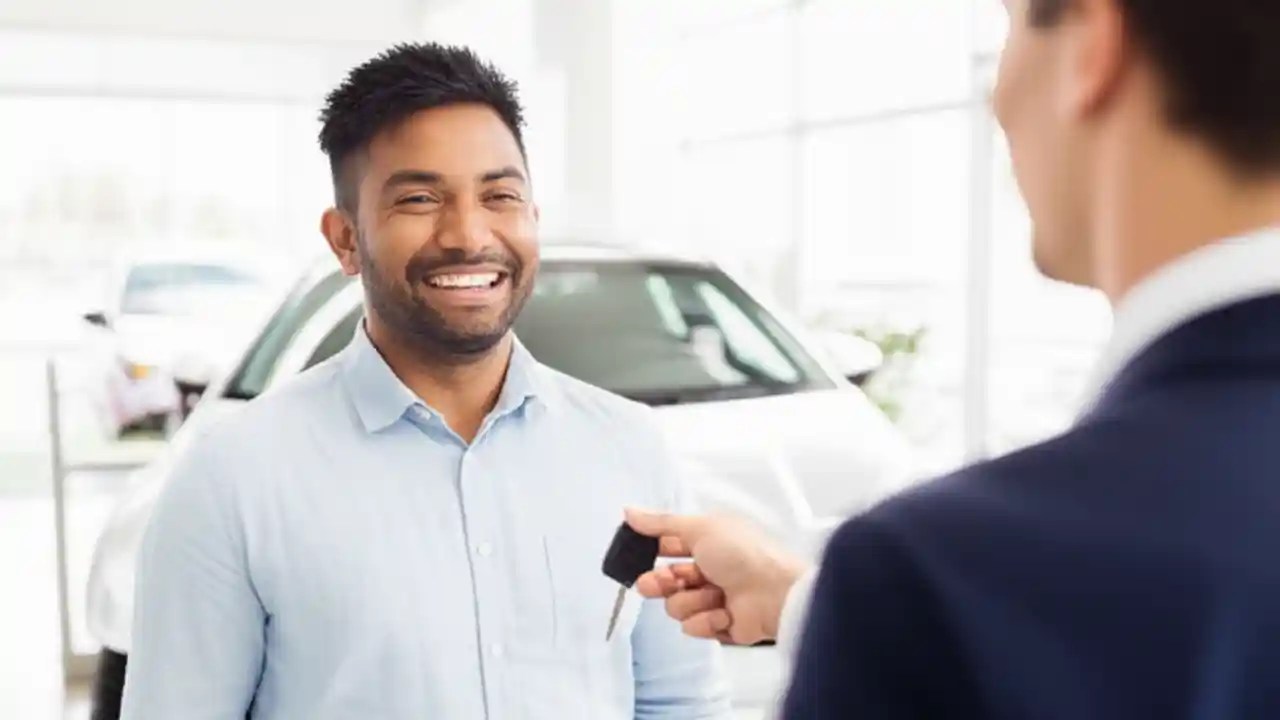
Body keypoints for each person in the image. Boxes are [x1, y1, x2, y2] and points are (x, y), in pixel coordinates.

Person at [630, 0, 1280, 717]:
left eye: (1010, 26)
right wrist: (818, 604)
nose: (997, 99)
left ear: (1094, 43)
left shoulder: (934, 571)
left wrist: (889, 614)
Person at [118, 42, 730, 719]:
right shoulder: (232, 478)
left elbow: (679, 703)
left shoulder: (630, 448)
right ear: (345, 240)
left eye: (499, 196)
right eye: (419, 198)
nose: (468, 234)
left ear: (532, 218)